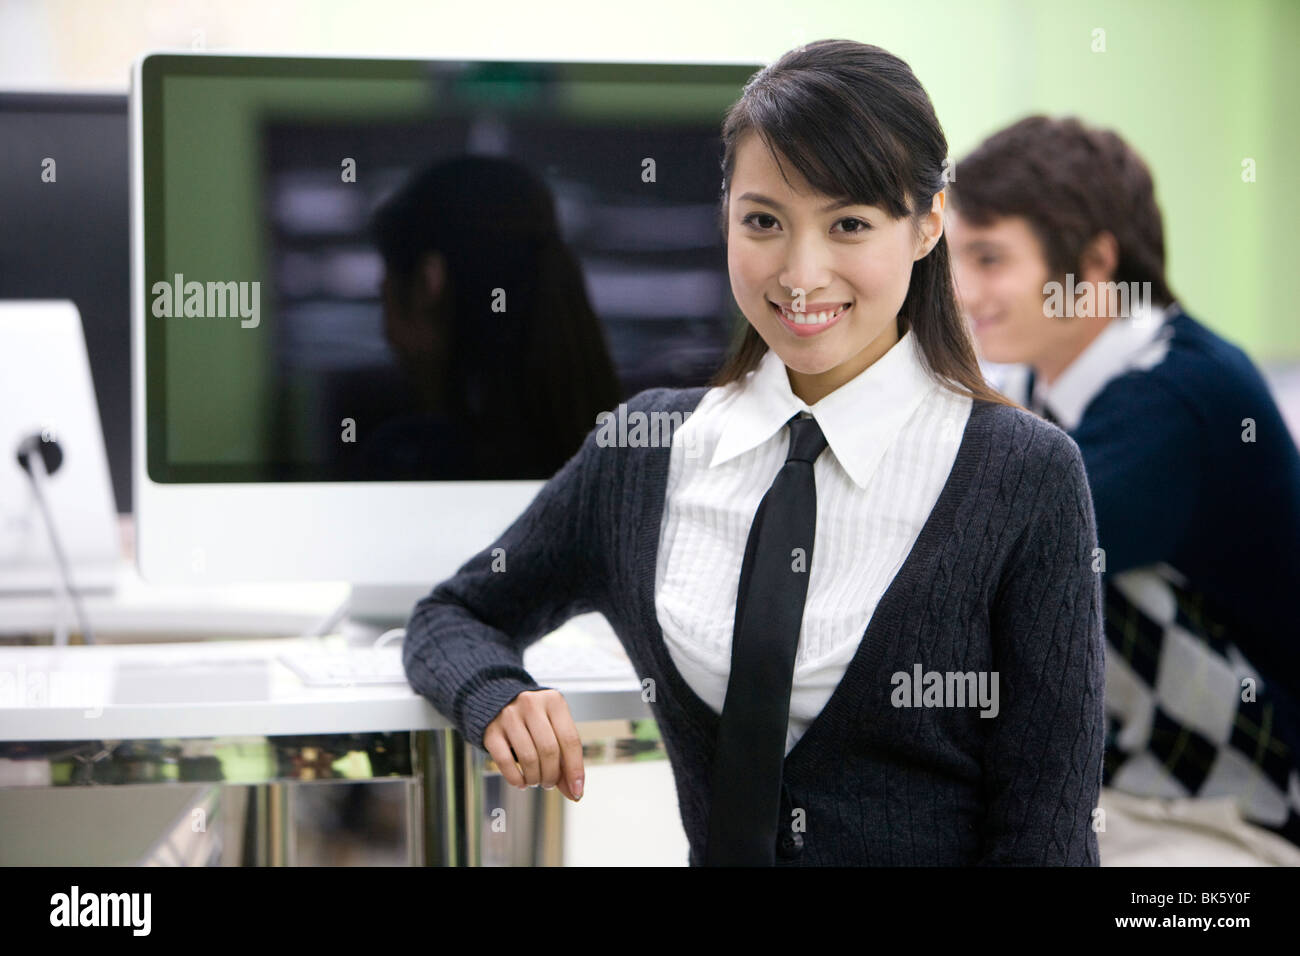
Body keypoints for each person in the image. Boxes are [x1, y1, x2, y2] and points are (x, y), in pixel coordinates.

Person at [402, 40, 1106, 866]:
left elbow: (1048, 838)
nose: (801, 275)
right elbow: (453, 614)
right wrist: (497, 695)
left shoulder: (1024, 474)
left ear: (926, 226)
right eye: (764, 221)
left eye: (849, 224)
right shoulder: (644, 453)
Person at [947, 115, 1300, 857]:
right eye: (955, 258)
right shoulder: (1035, 381)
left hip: (1242, 812)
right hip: (1128, 791)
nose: (963, 289)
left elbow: (979, 558)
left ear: (1094, 264)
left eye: (989, 258)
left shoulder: (1178, 393)